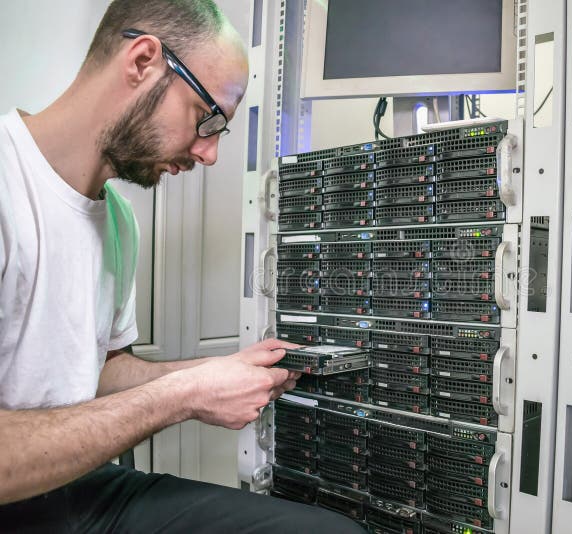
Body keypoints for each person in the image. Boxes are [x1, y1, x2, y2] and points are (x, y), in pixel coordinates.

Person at [0, 0, 364, 532]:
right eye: (207, 118)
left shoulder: (119, 220)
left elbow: (99, 371)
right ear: (143, 61)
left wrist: (215, 373)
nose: (210, 154)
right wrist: (184, 395)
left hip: (78, 488)